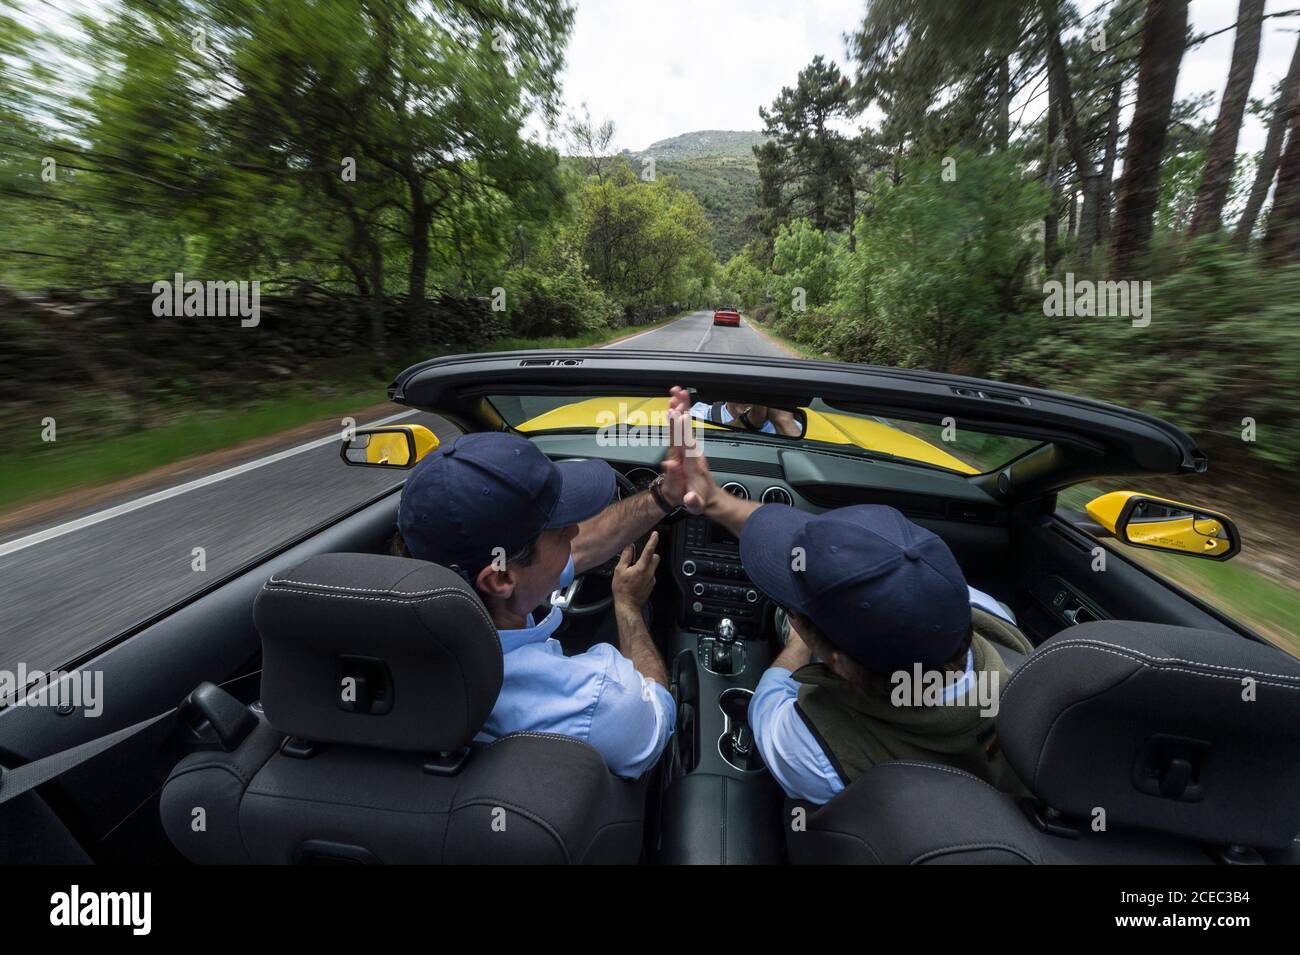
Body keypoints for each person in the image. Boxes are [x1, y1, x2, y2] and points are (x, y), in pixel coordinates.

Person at [663, 386, 1025, 803]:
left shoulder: (817, 751)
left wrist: (798, 642)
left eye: (794, 608)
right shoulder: (988, 615)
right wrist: (714, 501)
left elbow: (769, 701)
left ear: (838, 663)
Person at [397, 430, 684, 778]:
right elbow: (656, 719)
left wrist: (662, 496)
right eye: (561, 530)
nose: (576, 532)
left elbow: (574, 552)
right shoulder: (595, 698)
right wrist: (628, 607)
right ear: (499, 581)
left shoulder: (371, 636)